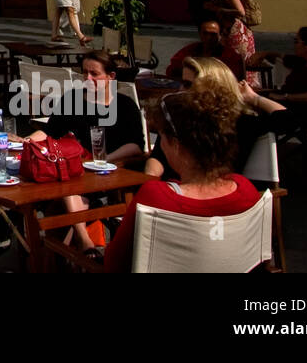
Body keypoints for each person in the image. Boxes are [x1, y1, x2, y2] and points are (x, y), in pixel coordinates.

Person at [103, 89, 262, 272]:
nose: (161, 145)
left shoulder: (156, 197)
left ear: (176, 145)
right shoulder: (245, 190)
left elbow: (114, 263)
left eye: (161, 137)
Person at [23, 50, 144, 255]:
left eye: (94, 74)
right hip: (74, 168)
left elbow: (136, 145)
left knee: (63, 189)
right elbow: (50, 131)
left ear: (111, 77)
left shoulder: (124, 106)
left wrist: (104, 160)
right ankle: (81, 244)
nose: (87, 78)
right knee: (64, 182)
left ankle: (75, 244)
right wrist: (26, 141)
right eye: (84, 73)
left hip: (109, 170)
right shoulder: (73, 99)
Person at [146, 57, 290, 180]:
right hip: (175, 190)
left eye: (188, 84)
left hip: (215, 193)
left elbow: (286, 119)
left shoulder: (240, 121)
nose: (181, 89)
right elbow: (158, 157)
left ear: (212, 87)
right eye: (183, 83)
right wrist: (150, 181)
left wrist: (254, 98)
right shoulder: (176, 116)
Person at [204, 0, 259, 86]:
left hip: (236, 33)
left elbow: (240, 11)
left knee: (238, 66)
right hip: (227, 31)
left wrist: (216, 8)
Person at [164, 20, 246, 81]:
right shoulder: (190, 49)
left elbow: (234, 78)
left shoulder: (230, 55)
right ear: (200, 33)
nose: (208, 38)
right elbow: (171, 70)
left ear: (220, 35)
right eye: (205, 33)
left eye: (213, 34)